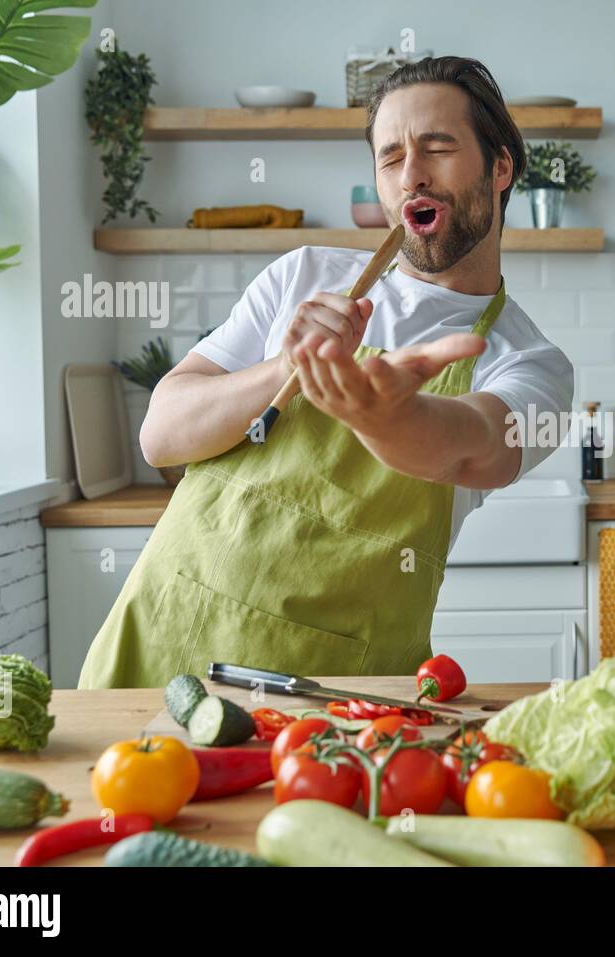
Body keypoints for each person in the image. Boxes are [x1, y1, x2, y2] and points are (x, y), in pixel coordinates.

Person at [78, 57, 573, 689]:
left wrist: (392, 415)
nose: (412, 176)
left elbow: (470, 448)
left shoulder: (529, 363)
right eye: (390, 159)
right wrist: (289, 363)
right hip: (163, 639)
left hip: (337, 694)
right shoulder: (303, 275)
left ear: (501, 167)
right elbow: (162, 434)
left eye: (438, 149)